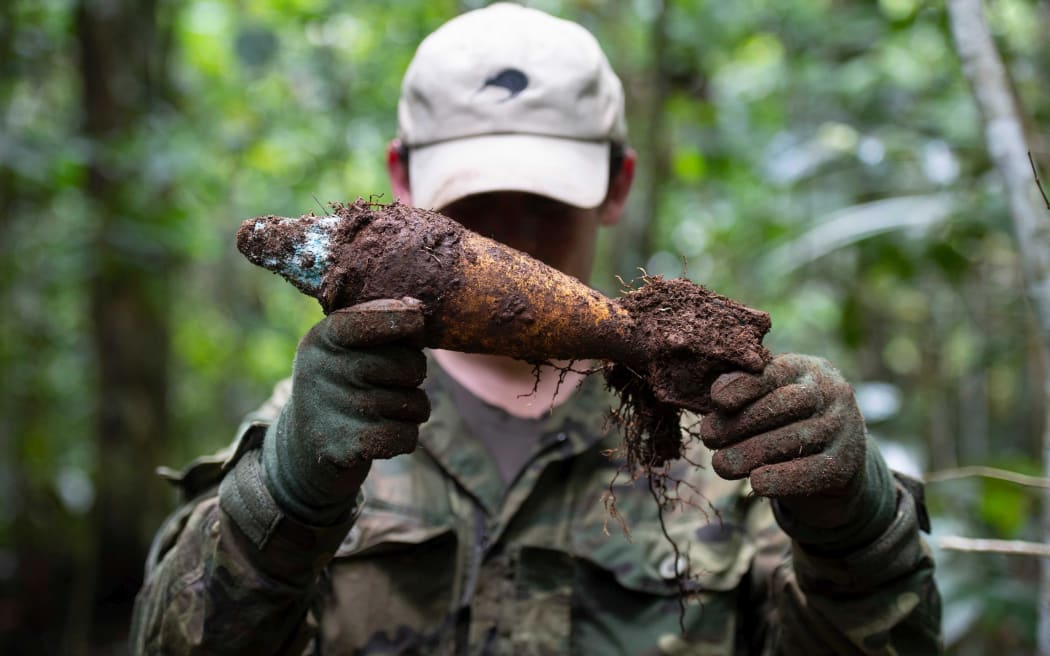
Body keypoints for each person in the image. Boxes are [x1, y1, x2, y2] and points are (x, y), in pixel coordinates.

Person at [131, 4, 941, 654]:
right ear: (400, 180)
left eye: (545, 199)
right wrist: (285, 495)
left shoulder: (734, 452)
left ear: (616, 183)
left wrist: (860, 532)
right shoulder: (309, 438)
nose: (508, 236)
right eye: (470, 207)